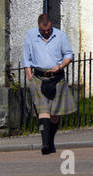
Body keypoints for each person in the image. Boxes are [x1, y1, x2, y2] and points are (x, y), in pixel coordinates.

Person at [23, 13, 76, 155]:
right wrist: (29, 73)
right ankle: (45, 144)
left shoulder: (60, 35)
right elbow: (26, 56)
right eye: (43, 31)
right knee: (43, 111)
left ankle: (51, 141)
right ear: (38, 26)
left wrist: (60, 66)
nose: (46, 33)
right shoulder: (31, 35)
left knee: (54, 114)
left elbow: (69, 54)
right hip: (39, 78)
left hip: (56, 78)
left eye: (48, 30)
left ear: (51, 25)